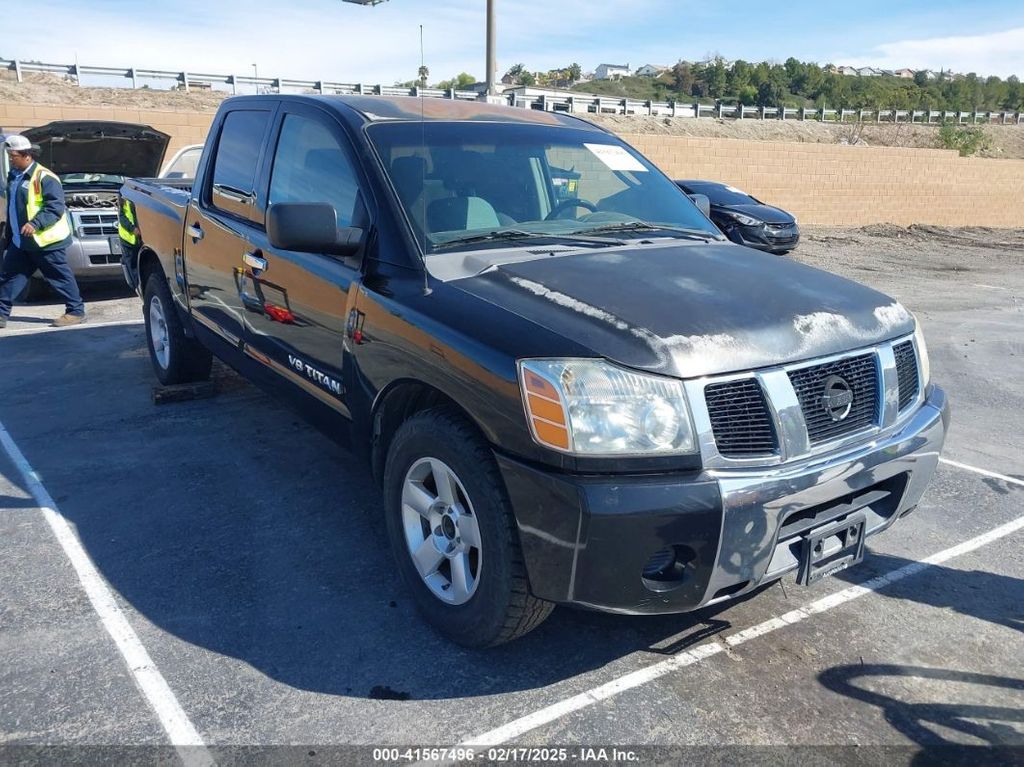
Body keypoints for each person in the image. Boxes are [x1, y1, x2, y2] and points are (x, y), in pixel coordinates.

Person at [0, 134, 85, 329]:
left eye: (13, 156)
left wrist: (35, 223)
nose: (10, 159)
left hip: (45, 241)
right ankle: (1, 314)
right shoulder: (15, 176)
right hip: (21, 241)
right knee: (9, 276)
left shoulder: (45, 178)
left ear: (26, 156)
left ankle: (76, 311)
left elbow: (55, 207)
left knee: (59, 277)